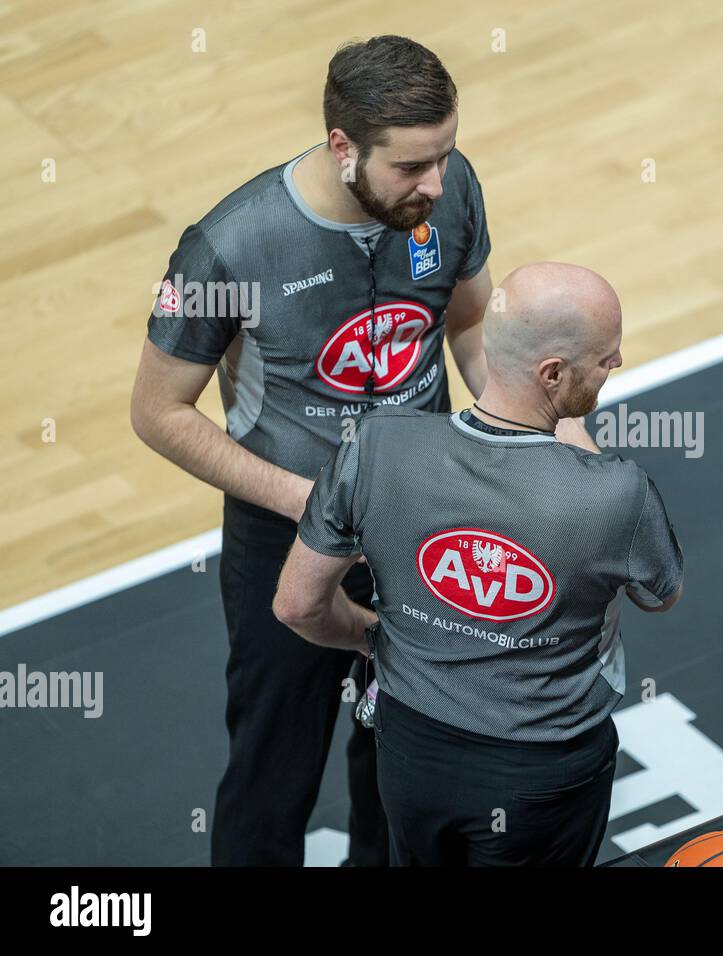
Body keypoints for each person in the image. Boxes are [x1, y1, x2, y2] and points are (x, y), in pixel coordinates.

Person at [130, 35, 574, 865]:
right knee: (274, 765)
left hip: (423, 511)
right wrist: (312, 504)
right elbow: (159, 413)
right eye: (411, 167)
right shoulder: (228, 248)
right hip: (286, 526)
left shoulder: (450, 189)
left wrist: (534, 438)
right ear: (343, 148)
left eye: (444, 157)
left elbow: (471, 324)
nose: (435, 185)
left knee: (407, 754)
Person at [272, 262, 684, 866]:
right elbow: (660, 593)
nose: (616, 365)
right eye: (606, 357)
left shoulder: (375, 444)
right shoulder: (616, 494)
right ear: (553, 374)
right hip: (542, 771)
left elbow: (297, 604)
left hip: (411, 753)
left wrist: (374, 635)